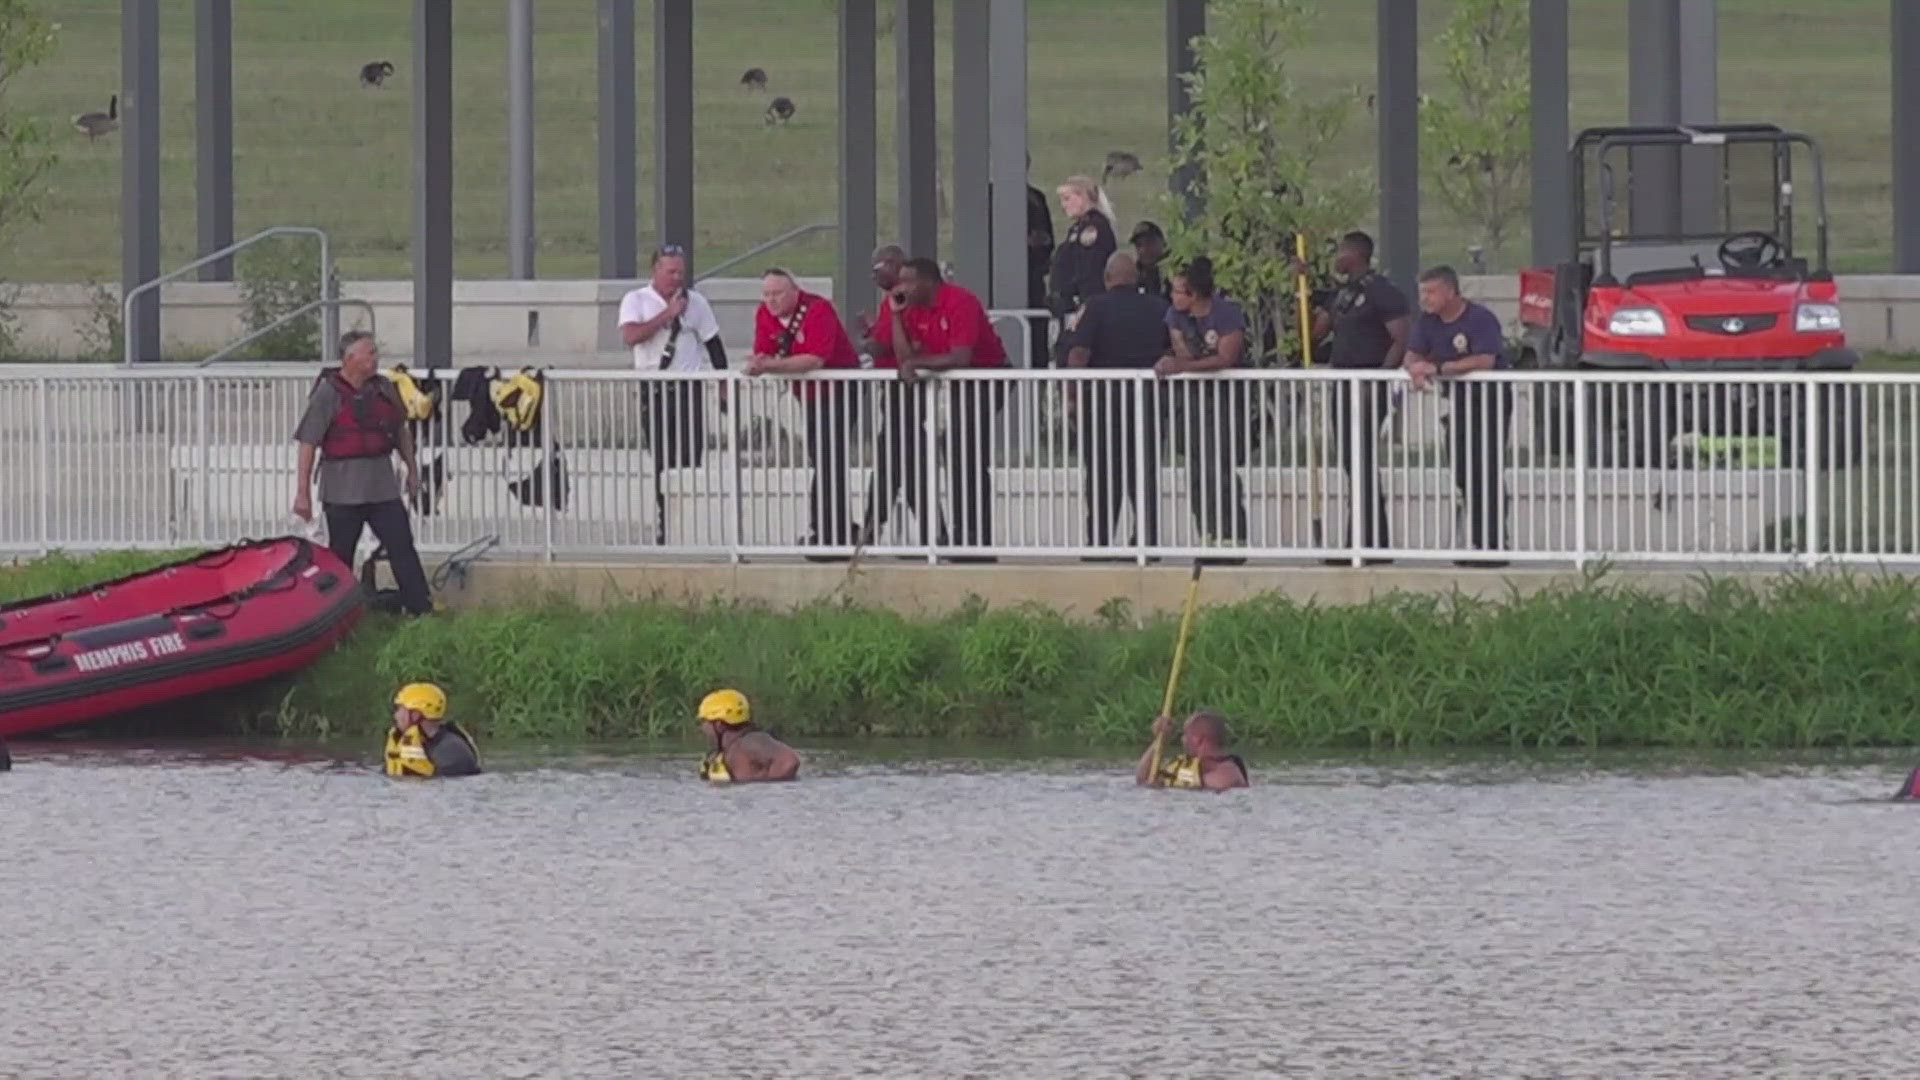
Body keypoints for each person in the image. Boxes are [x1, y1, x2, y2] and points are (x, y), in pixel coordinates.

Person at [864, 257, 1008, 560]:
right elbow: (903, 356)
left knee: (964, 455)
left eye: (908, 281)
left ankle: (974, 539)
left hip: (983, 379)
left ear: (928, 282)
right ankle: (947, 535)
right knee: (918, 451)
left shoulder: (960, 301)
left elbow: (960, 357)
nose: (900, 287)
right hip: (943, 383)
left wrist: (916, 362)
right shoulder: (909, 307)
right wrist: (896, 317)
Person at [292, 330, 433, 615]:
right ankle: (337, 615)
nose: (375, 357)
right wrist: (302, 493)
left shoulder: (383, 388)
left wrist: (413, 471)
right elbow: (308, 443)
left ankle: (421, 609)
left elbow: (401, 432)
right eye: (370, 352)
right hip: (343, 492)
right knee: (341, 555)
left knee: (401, 546)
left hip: (382, 488)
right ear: (350, 358)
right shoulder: (328, 393)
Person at [618, 244, 729, 546]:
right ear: (655, 270)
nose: (677, 278)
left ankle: (691, 523)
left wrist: (723, 387)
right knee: (662, 460)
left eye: (681, 272)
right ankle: (664, 522)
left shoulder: (697, 303)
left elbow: (713, 344)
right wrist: (667, 314)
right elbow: (631, 336)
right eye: (670, 272)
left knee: (691, 458)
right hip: (654, 390)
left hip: (687, 389)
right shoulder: (636, 300)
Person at [747, 267, 861, 559]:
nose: (771, 301)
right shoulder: (764, 314)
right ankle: (832, 528)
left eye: (778, 294)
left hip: (838, 392)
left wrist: (770, 366)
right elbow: (762, 352)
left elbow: (815, 359)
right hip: (807, 397)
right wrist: (762, 364)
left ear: (794, 292)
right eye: (767, 294)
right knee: (820, 458)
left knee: (828, 459)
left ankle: (831, 531)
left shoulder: (818, 310)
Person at [1404, 265, 1512, 568]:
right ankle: (1474, 541)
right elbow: (1413, 353)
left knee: (1486, 470)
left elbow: (1484, 360)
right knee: (1464, 471)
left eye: (1431, 292)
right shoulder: (1427, 322)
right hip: (1459, 404)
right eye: (1422, 292)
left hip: (1489, 401)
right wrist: (1413, 368)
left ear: (1451, 292)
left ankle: (1493, 543)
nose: (1425, 299)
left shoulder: (1479, 319)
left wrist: (1437, 369)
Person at [1313, 231, 1410, 564]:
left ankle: (1369, 542)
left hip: (1368, 386)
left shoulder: (1382, 292)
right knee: (1352, 463)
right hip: (1343, 384)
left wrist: (1379, 378)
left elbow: (1401, 338)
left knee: (1361, 461)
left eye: (1340, 251)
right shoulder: (1341, 295)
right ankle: (1363, 540)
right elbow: (1316, 332)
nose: (1337, 257)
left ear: (1354, 254)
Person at [1066, 251, 1169, 555]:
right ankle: (1147, 541)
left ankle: (1099, 541)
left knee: (1101, 473)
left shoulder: (1096, 307)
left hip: (1102, 402)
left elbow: (1078, 354)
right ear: (1135, 277)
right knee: (1144, 471)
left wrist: (1072, 396)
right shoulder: (1158, 307)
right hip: (1146, 401)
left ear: (1107, 278)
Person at [1157, 258, 1250, 563]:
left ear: (1194, 294)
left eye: (1178, 291)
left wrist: (1183, 366)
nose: (1173, 296)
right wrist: (1183, 364)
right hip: (1192, 402)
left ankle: (1232, 538)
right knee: (1196, 472)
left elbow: (1225, 357)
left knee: (1219, 471)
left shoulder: (1226, 313)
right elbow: (1181, 348)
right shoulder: (1175, 316)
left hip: (1223, 401)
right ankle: (1207, 537)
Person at [1047, 176, 1118, 365]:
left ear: (1082, 196)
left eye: (1068, 198)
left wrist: (1083, 305)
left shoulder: (1094, 228)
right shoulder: (1077, 229)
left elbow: (1089, 271)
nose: (1064, 205)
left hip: (1082, 306)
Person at [695, 689, 800, 783]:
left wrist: (766, 787)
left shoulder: (750, 741)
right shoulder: (721, 753)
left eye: (704, 721)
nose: (702, 727)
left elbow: (789, 760)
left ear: (719, 725)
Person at [384, 682, 481, 778]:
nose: (396, 716)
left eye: (400, 709)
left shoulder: (452, 751)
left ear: (415, 715)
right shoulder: (413, 743)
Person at [1135, 710, 1250, 791]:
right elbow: (1143, 778)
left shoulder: (1227, 772)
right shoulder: (1189, 767)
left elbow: (1212, 785)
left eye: (1186, 735)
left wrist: (1170, 784)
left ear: (1199, 740)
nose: (1183, 740)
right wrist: (1160, 741)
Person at [856, 244, 907, 363]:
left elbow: (882, 347)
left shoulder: (906, 298)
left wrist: (860, 345)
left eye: (876, 270)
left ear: (892, 265)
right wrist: (870, 330)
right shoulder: (888, 302)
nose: (873, 276)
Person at [1130, 221, 1171, 300]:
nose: (1143, 250)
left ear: (1163, 244)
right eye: (1138, 245)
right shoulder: (1133, 275)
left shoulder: (1174, 271)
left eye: (1149, 243)